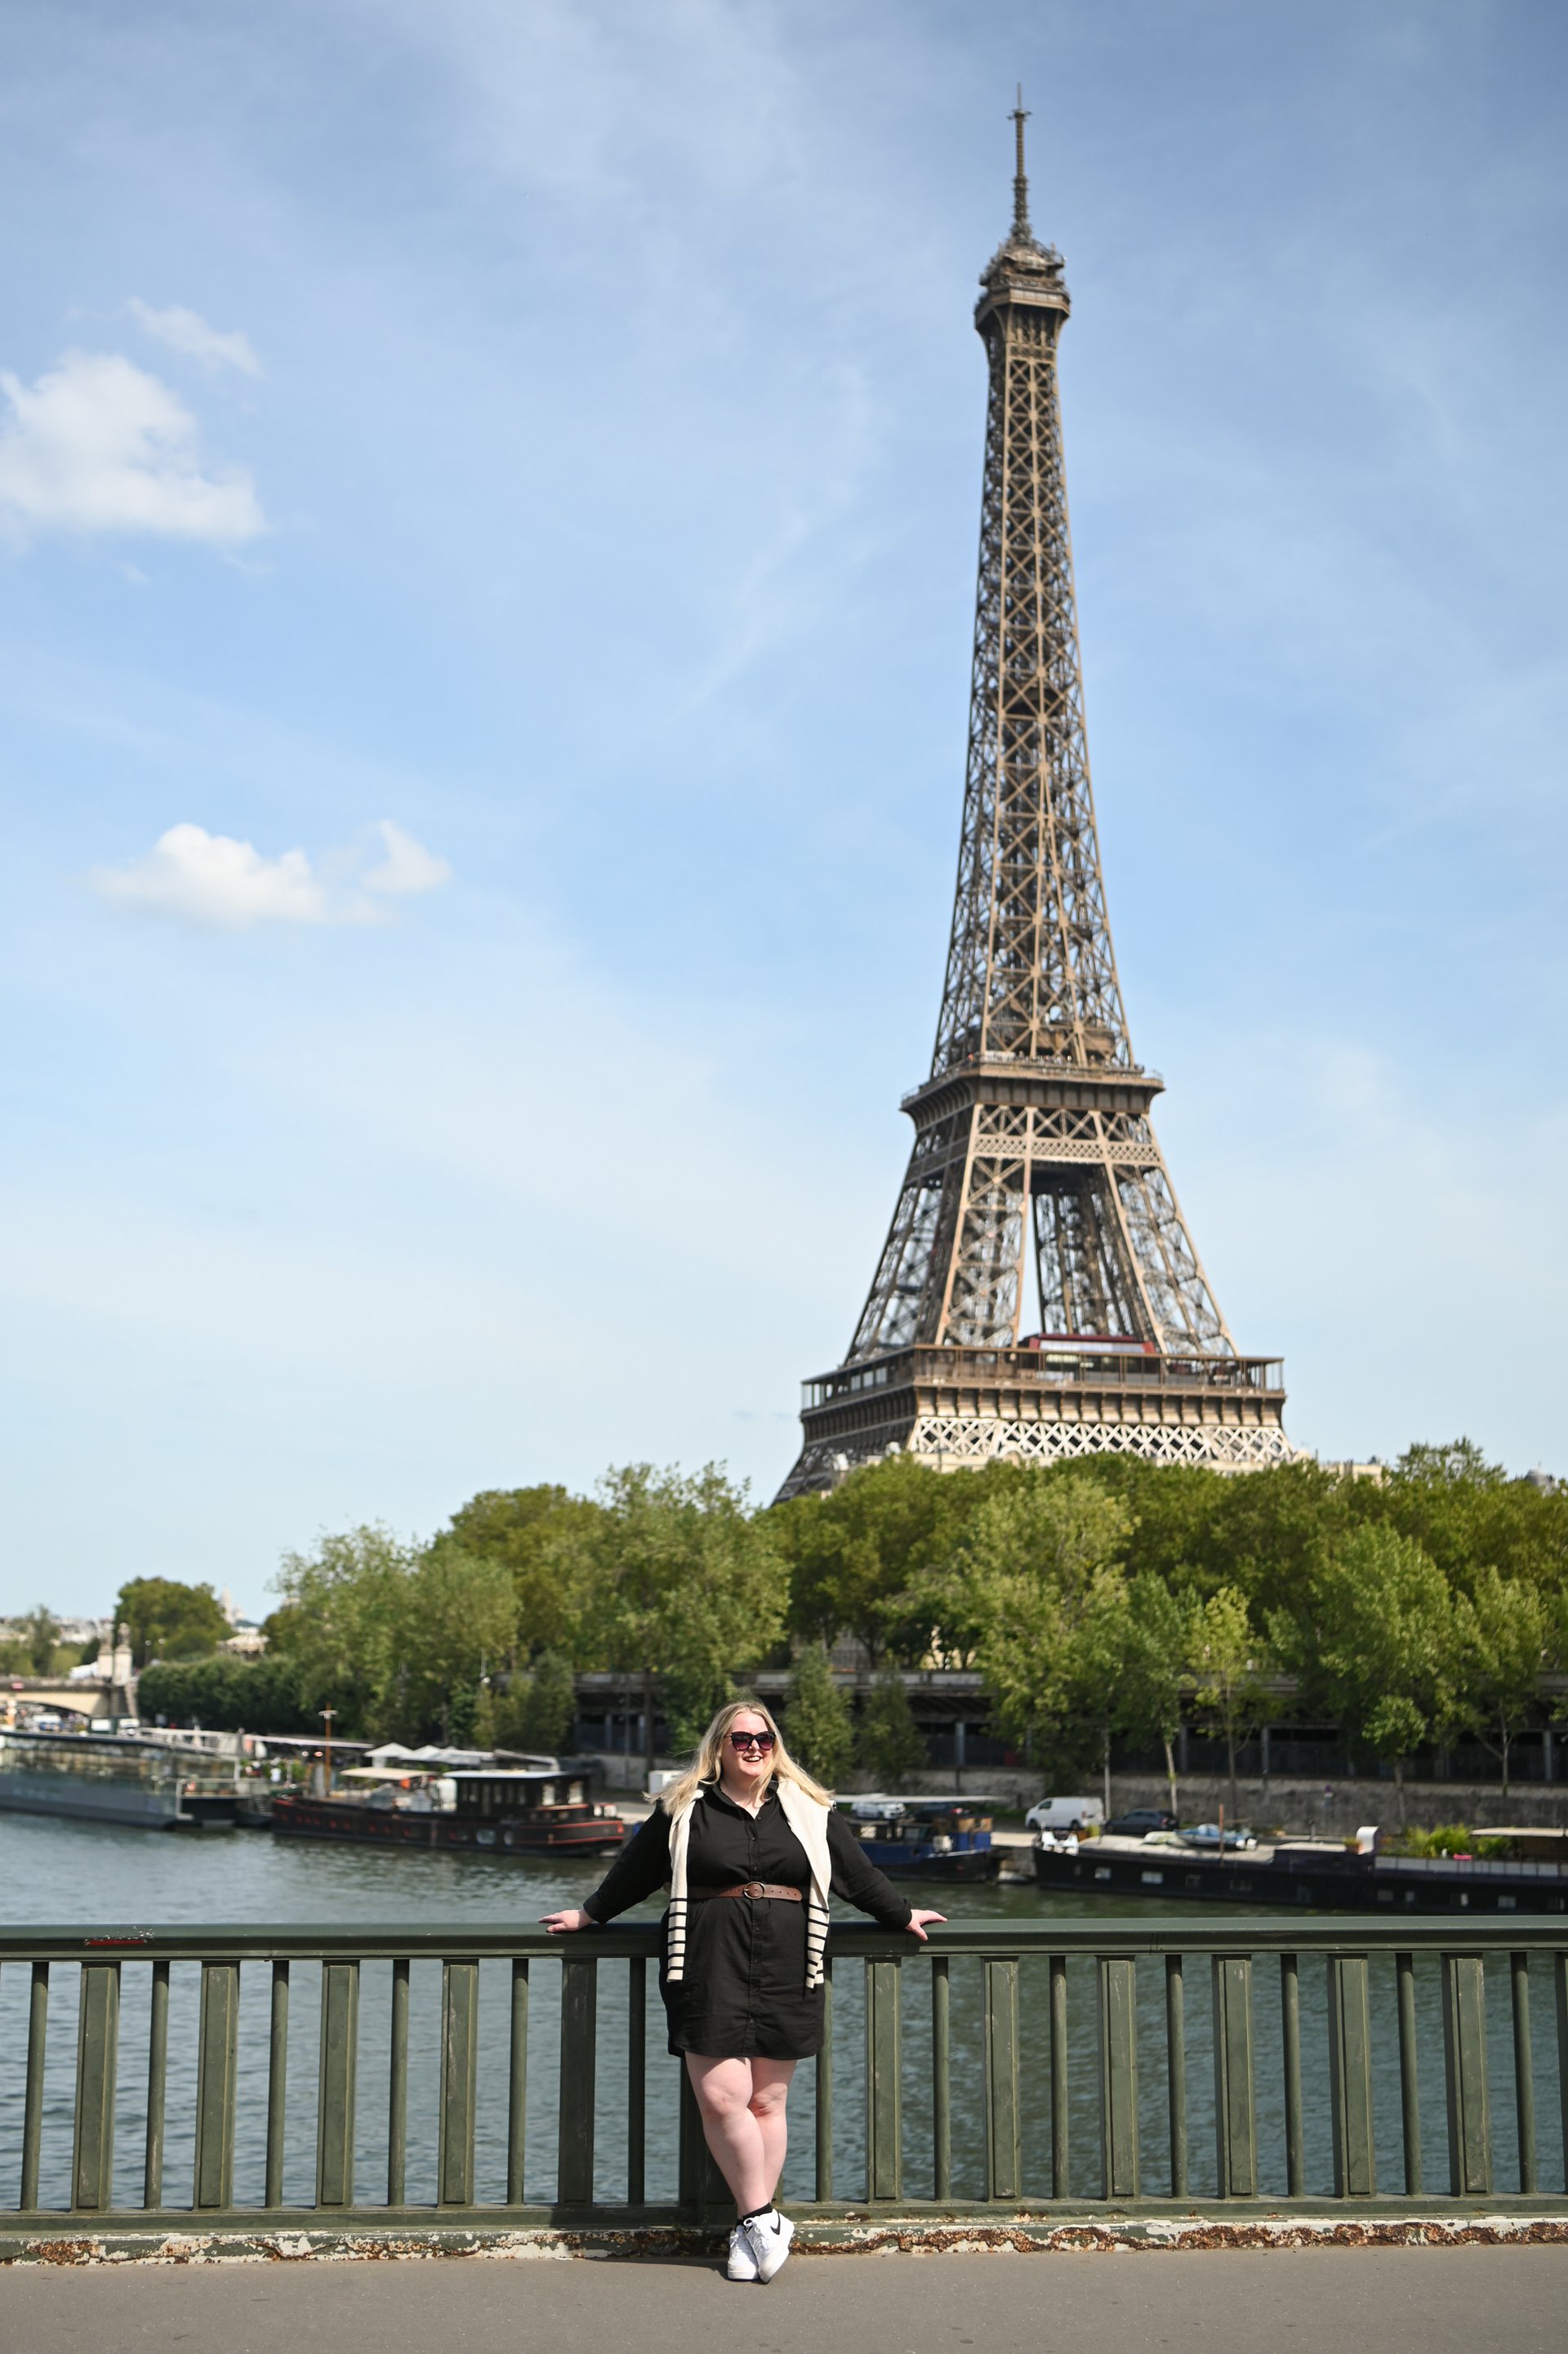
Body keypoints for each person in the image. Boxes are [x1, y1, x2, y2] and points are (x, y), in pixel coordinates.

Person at [544, 1697, 943, 2284]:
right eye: (740, 1739)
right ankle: (761, 2218)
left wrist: (902, 1913)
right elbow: (635, 1870)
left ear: (774, 1745)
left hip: (789, 1963)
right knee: (722, 2098)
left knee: (766, 2103)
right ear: (720, 1747)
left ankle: (746, 2231)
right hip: (707, 1960)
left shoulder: (809, 1810)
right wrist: (589, 1915)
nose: (753, 1747)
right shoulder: (684, 1809)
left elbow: (858, 1876)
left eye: (763, 1738)